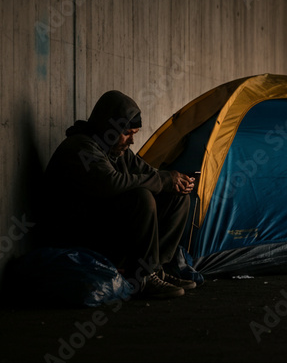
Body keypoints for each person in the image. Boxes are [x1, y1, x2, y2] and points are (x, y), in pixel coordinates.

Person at [43, 90, 197, 299]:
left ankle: (155, 270)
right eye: (127, 133)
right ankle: (141, 277)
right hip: (78, 236)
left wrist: (175, 181)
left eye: (134, 133)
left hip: (105, 230)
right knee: (141, 198)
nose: (131, 141)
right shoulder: (80, 148)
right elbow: (110, 183)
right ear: (109, 127)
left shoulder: (118, 150)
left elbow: (149, 174)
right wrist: (162, 181)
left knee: (177, 197)